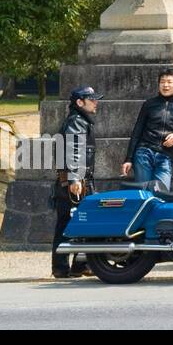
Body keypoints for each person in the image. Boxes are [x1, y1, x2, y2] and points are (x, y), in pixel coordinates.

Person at [52, 86, 101, 278]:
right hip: (76, 181)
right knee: (75, 222)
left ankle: (72, 266)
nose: (96, 102)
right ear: (80, 103)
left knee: (71, 222)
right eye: (92, 99)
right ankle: (69, 267)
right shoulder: (77, 121)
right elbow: (75, 149)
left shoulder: (80, 120)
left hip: (76, 180)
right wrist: (74, 177)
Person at [122, 69, 173, 186]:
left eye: (169, 82)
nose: (165, 85)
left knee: (163, 194)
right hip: (144, 153)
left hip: (165, 155)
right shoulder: (149, 104)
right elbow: (137, 131)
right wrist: (128, 159)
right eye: (162, 82)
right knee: (144, 193)